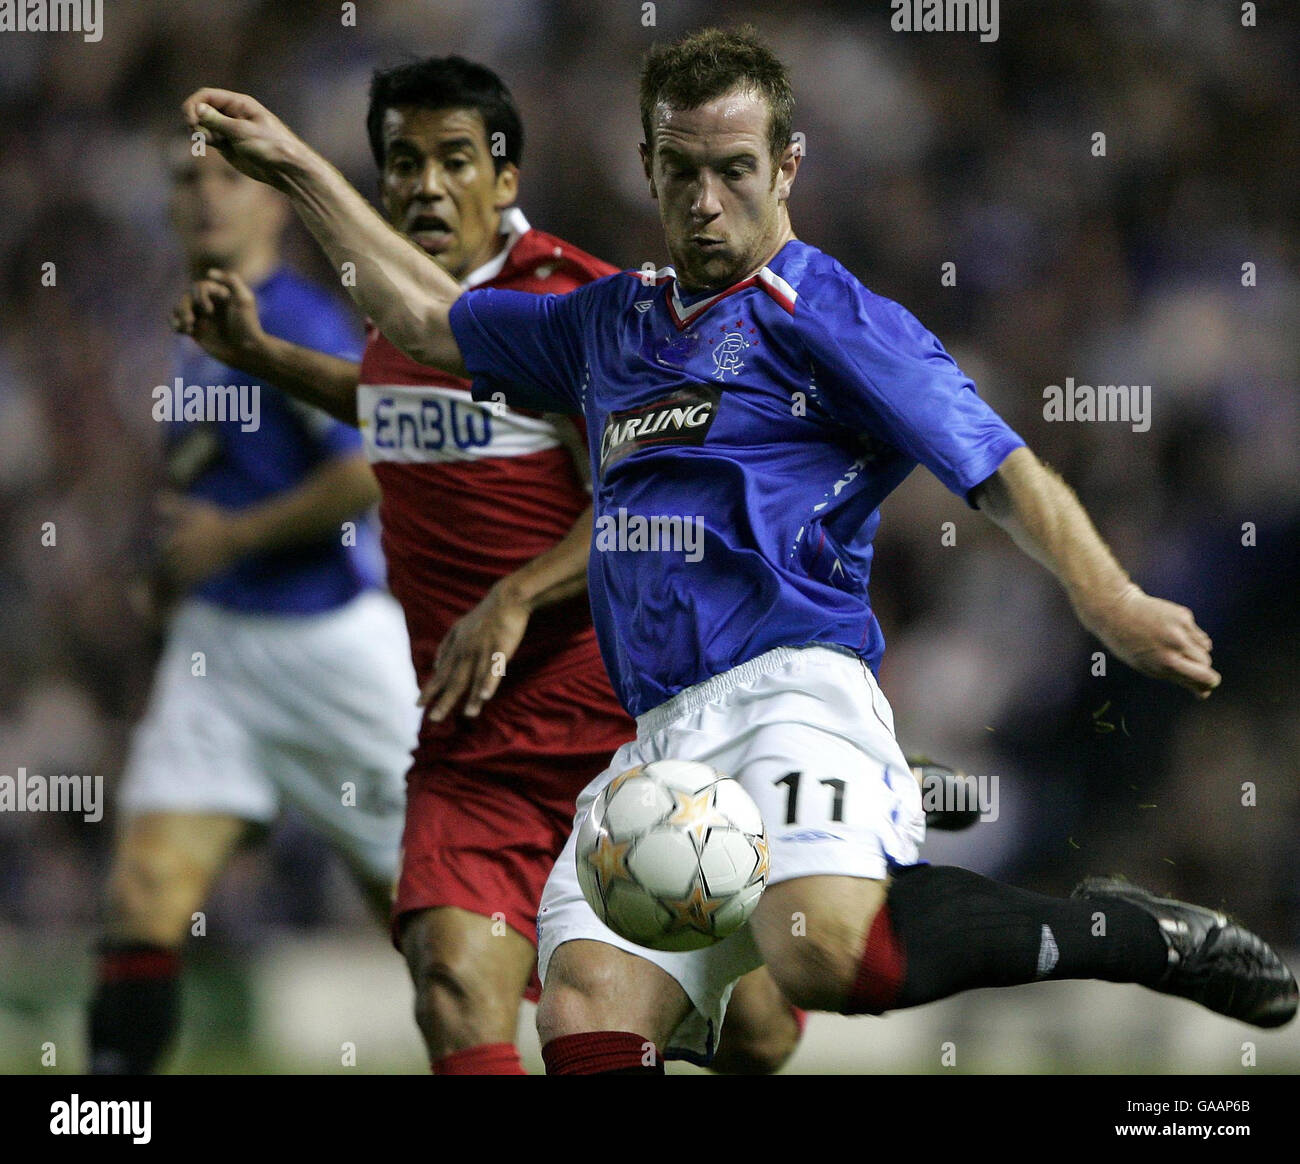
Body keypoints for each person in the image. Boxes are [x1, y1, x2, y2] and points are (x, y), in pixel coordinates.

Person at [179, 25, 1297, 1074]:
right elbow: (425, 322)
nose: (706, 202)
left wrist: (1109, 600)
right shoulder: (607, 322)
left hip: (793, 691)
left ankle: (1119, 930)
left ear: (788, 166)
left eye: (735, 170)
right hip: (657, 736)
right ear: (647, 166)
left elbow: (998, 469)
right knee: (583, 1008)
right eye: (681, 173)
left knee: (822, 952)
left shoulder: (831, 318)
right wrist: (294, 169)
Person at [172, 56, 805, 1075]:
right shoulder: (390, 311)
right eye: (403, 163)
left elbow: (650, 508)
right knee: (453, 984)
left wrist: (517, 595)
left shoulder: (574, 306)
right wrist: (268, 359)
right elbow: (415, 411)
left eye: (454, 160)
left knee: (754, 1031)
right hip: (472, 748)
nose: (425, 184)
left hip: (615, 734)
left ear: (504, 179)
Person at [87, 142, 418, 1074]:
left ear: (276, 206)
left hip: (332, 648)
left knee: (439, 930)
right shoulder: (190, 332)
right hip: (217, 653)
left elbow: (371, 469)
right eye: (185, 179)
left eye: (227, 179)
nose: (203, 198)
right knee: (145, 892)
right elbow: (213, 487)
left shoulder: (300, 323)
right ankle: (114, 1109)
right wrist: (175, 571)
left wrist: (231, 540)